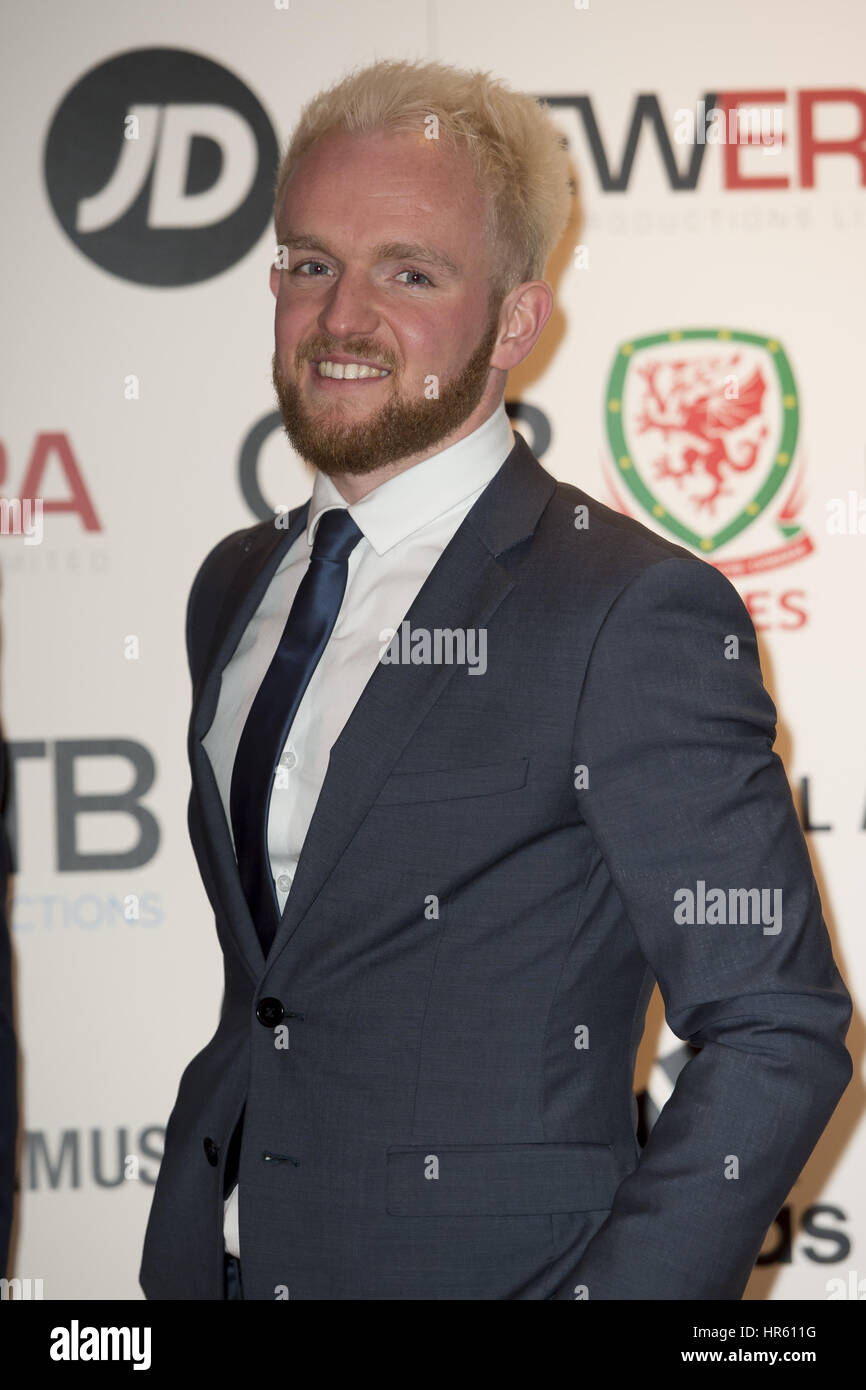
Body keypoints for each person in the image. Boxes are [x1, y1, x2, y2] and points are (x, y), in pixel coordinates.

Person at [140, 57, 852, 1301]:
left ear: (514, 322)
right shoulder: (233, 585)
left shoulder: (621, 609)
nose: (341, 317)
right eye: (310, 264)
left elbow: (776, 1029)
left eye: (408, 272)